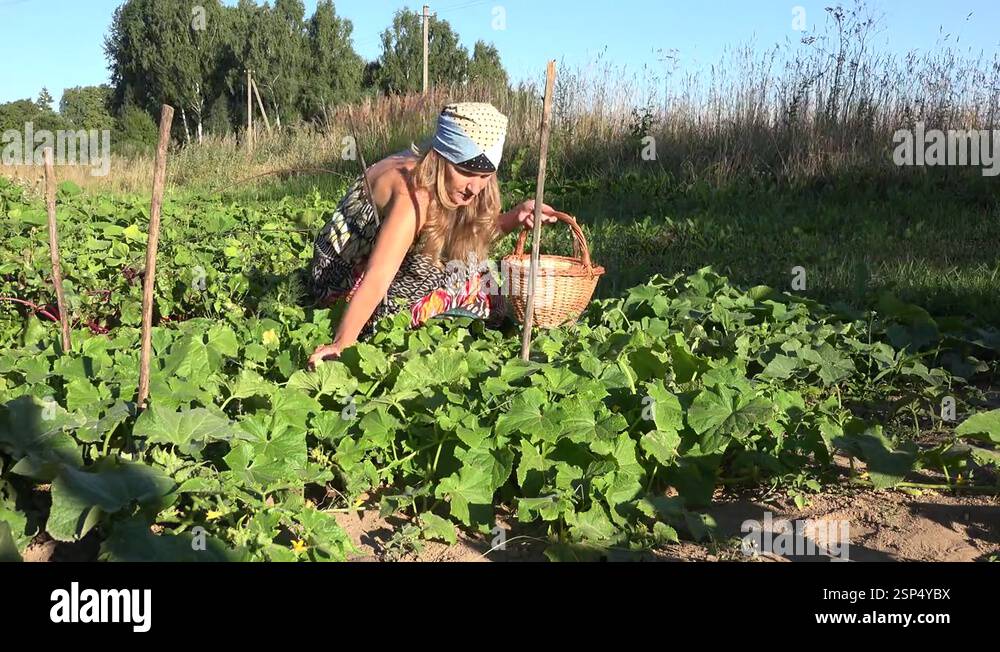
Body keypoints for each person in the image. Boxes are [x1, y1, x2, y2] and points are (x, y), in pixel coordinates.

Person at [307, 102, 557, 369]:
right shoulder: (413, 197)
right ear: (442, 157)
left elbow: (464, 238)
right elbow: (378, 276)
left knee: (472, 273)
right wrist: (342, 345)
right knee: (468, 281)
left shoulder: (434, 174)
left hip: (368, 265)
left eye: (485, 176)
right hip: (338, 283)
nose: (475, 187)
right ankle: (377, 324)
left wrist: (515, 217)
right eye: (466, 172)